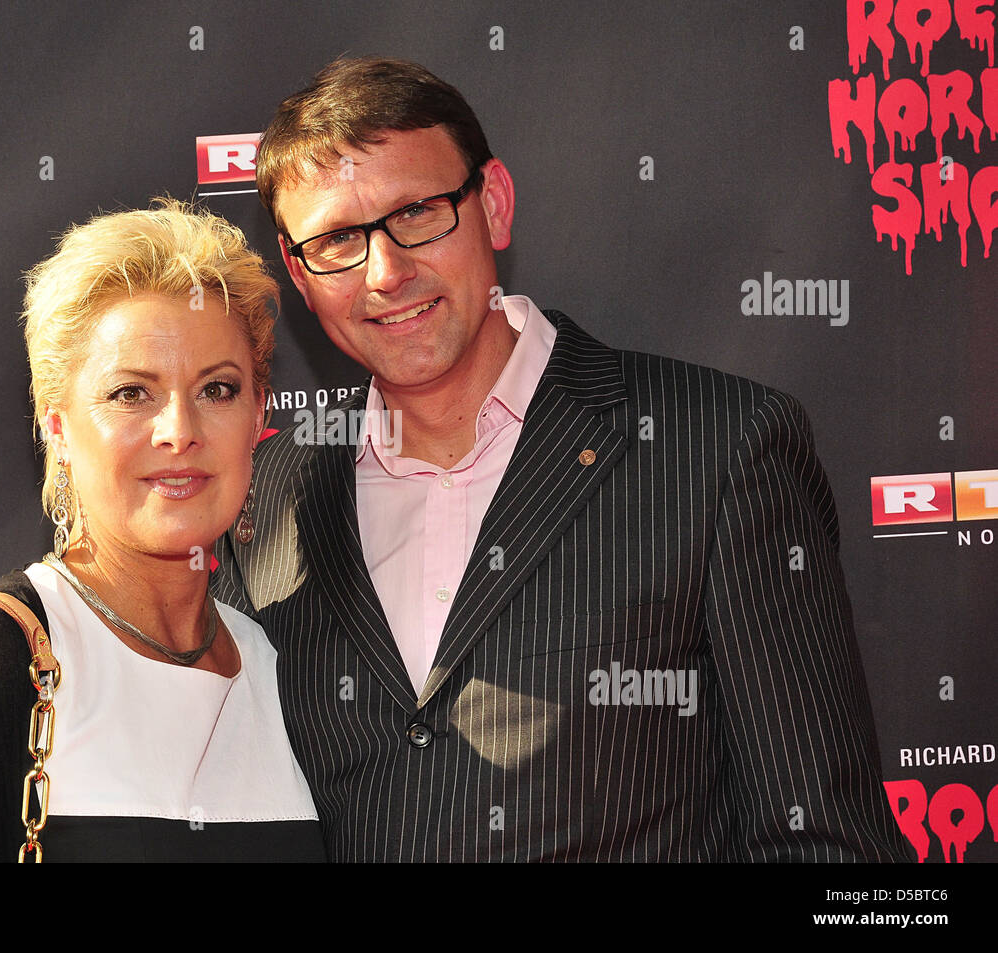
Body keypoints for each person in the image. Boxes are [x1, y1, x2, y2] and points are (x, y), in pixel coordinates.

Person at [209, 57, 912, 862]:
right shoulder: (265, 493)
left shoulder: (719, 448)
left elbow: (825, 842)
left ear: (495, 205)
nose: (387, 271)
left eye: (417, 213)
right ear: (299, 275)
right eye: (337, 240)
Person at [0, 201, 324, 862]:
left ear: (259, 411)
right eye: (130, 393)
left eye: (218, 389)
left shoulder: (281, 670)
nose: (179, 429)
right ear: (57, 426)